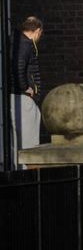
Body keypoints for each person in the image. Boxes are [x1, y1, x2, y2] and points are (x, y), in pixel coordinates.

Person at [10, 16, 44, 167]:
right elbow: (18, 68)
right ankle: (26, 175)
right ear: (37, 31)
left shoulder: (15, 41)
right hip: (23, 98)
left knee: (16, 141)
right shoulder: (25, 44)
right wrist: (26, 88)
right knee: (28, 142)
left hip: (14, 96)